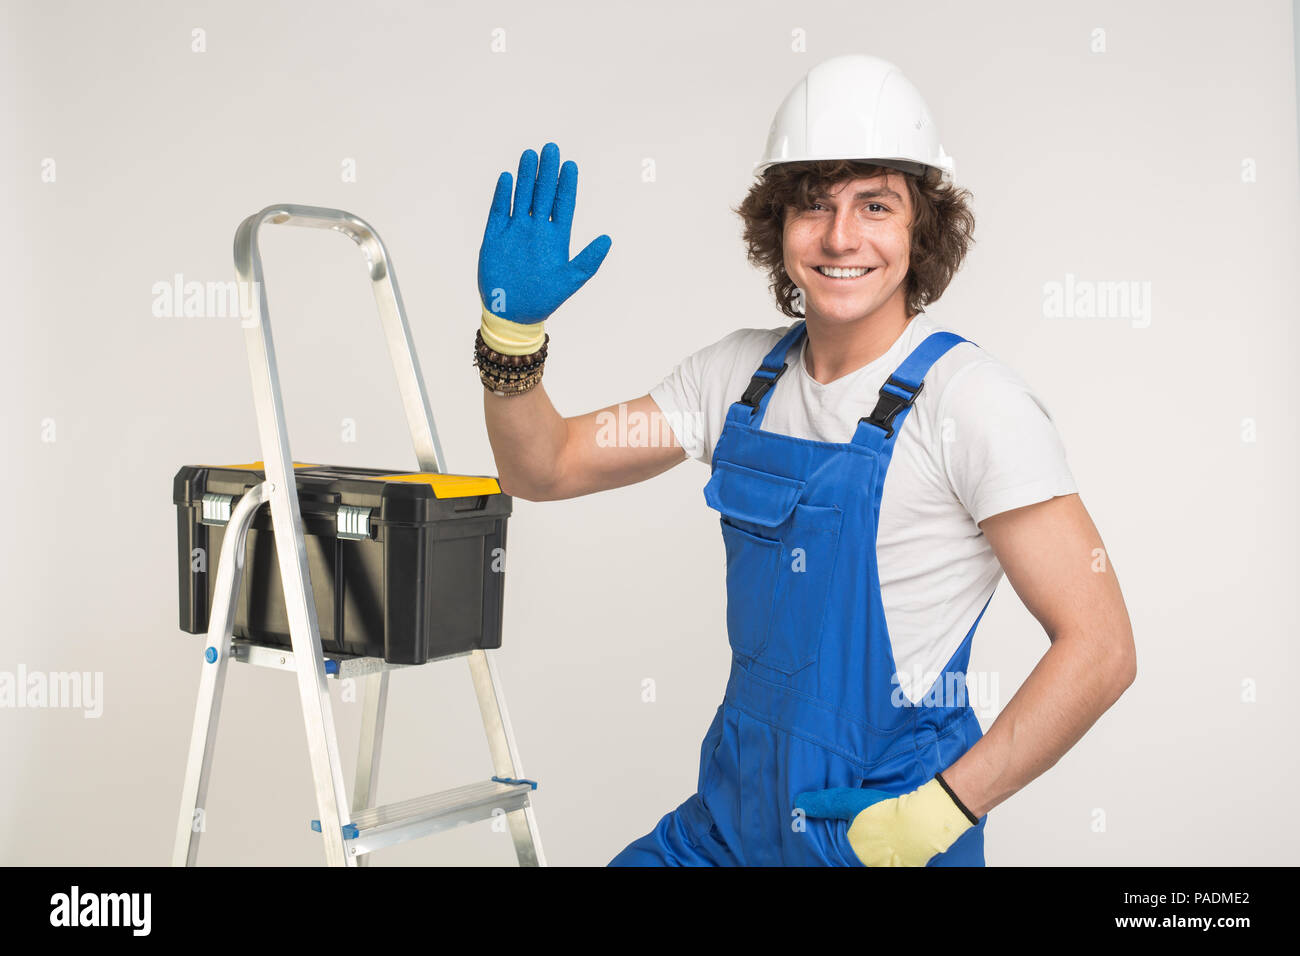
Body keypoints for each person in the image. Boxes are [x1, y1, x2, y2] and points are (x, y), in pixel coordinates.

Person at [473, 54, 1136, 867]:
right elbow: (548, 467)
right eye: (813, 205)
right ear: (777, 226)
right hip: (729, 822)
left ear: (919, 227)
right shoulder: (736, 379)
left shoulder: (971, 403)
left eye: (875, 205)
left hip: (874, 835)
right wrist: (512, 342)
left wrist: (942, 813)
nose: (840, 237)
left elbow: (1100, 648)